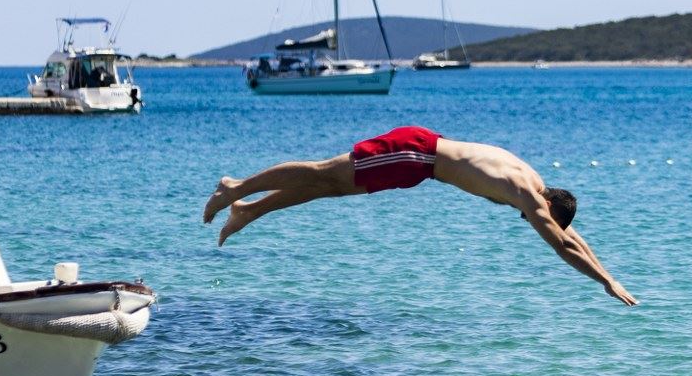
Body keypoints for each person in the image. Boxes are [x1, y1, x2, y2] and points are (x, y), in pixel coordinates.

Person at [202, 126, 638, 306]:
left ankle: (247, 211)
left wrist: (608, 270)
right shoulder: (528, 195)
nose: (527, 221)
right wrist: (605, 283)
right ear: (542, 209)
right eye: (532, 219)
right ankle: (237, 187)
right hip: (414, 154)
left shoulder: (538, 184)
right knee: (324, 173)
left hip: (419, 164)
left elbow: (570, 234)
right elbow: (562, 243)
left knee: (327, 189)